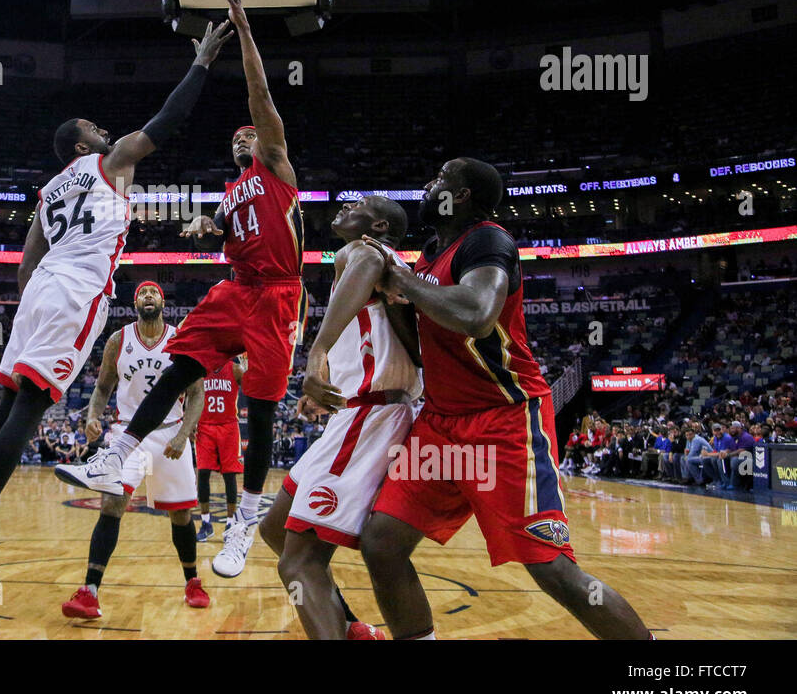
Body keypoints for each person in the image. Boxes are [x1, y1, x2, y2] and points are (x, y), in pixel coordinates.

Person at [0, 19, 233, 589]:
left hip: (40, 289)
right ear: (81, 145)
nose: (105, 130)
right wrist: (200, 64)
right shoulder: (112, 161)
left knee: (3, 407)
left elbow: (25, 264)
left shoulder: (49, 191)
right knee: (28, 411)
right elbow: (167, 122)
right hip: (75, 290)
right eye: (94, 128)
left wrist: (35, 309)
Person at [60, 0, 302, 580]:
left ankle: (246, 516)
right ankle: (115, 451)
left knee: (265, 411)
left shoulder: (275, 163)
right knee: (179, 364)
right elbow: (220, 229)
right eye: (236, 137)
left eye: (246, 133)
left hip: (277, 295)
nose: (241, 136)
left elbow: (261, 97)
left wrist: (245, 31)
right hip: (235, 290)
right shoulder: (230, 192)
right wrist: (202, 229)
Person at [357, 158, 651, 639]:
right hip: (441, 424)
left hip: (505, 421)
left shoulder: (487, 240)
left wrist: (401, 279)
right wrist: (388, 299)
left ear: (465, 194)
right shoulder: (432, 252)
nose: (429, 184)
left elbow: (476, 313)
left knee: (553, 570)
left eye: (441, 179)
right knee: (382, 542)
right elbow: (423, 350)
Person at [258, 196, 420, 640]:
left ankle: (342, 630)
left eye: (361, 202)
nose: (348, 203)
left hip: (372, 415)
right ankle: (349, 627)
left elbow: (365, 261)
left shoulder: (364, 250)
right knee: (276, 530)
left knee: (299, 562)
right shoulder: (383, 264)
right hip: (357, 411)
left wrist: (318, 352)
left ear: (380, 224)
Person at [60, 282, 209, 619]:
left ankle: (192, 581)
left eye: (153, 293)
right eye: (142, 293)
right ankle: (89, 592)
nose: (148, 297)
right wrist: (92, 416)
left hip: (171, 433)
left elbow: (197, 394)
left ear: (163, 302)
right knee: (112, 502)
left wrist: (185, 433)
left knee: (181, 514)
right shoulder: (119, 340)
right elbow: (102, 387)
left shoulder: (179, 339)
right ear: (134, 303)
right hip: (128, 434)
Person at [194, 355, 246, 543]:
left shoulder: (235, 369)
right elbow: (192, 395)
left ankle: (231, 522)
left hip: (229, 426)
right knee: (203, 473)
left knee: (229, 475)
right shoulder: (201, 368)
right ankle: (206, 523)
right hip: (204, 426)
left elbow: (251, 387)